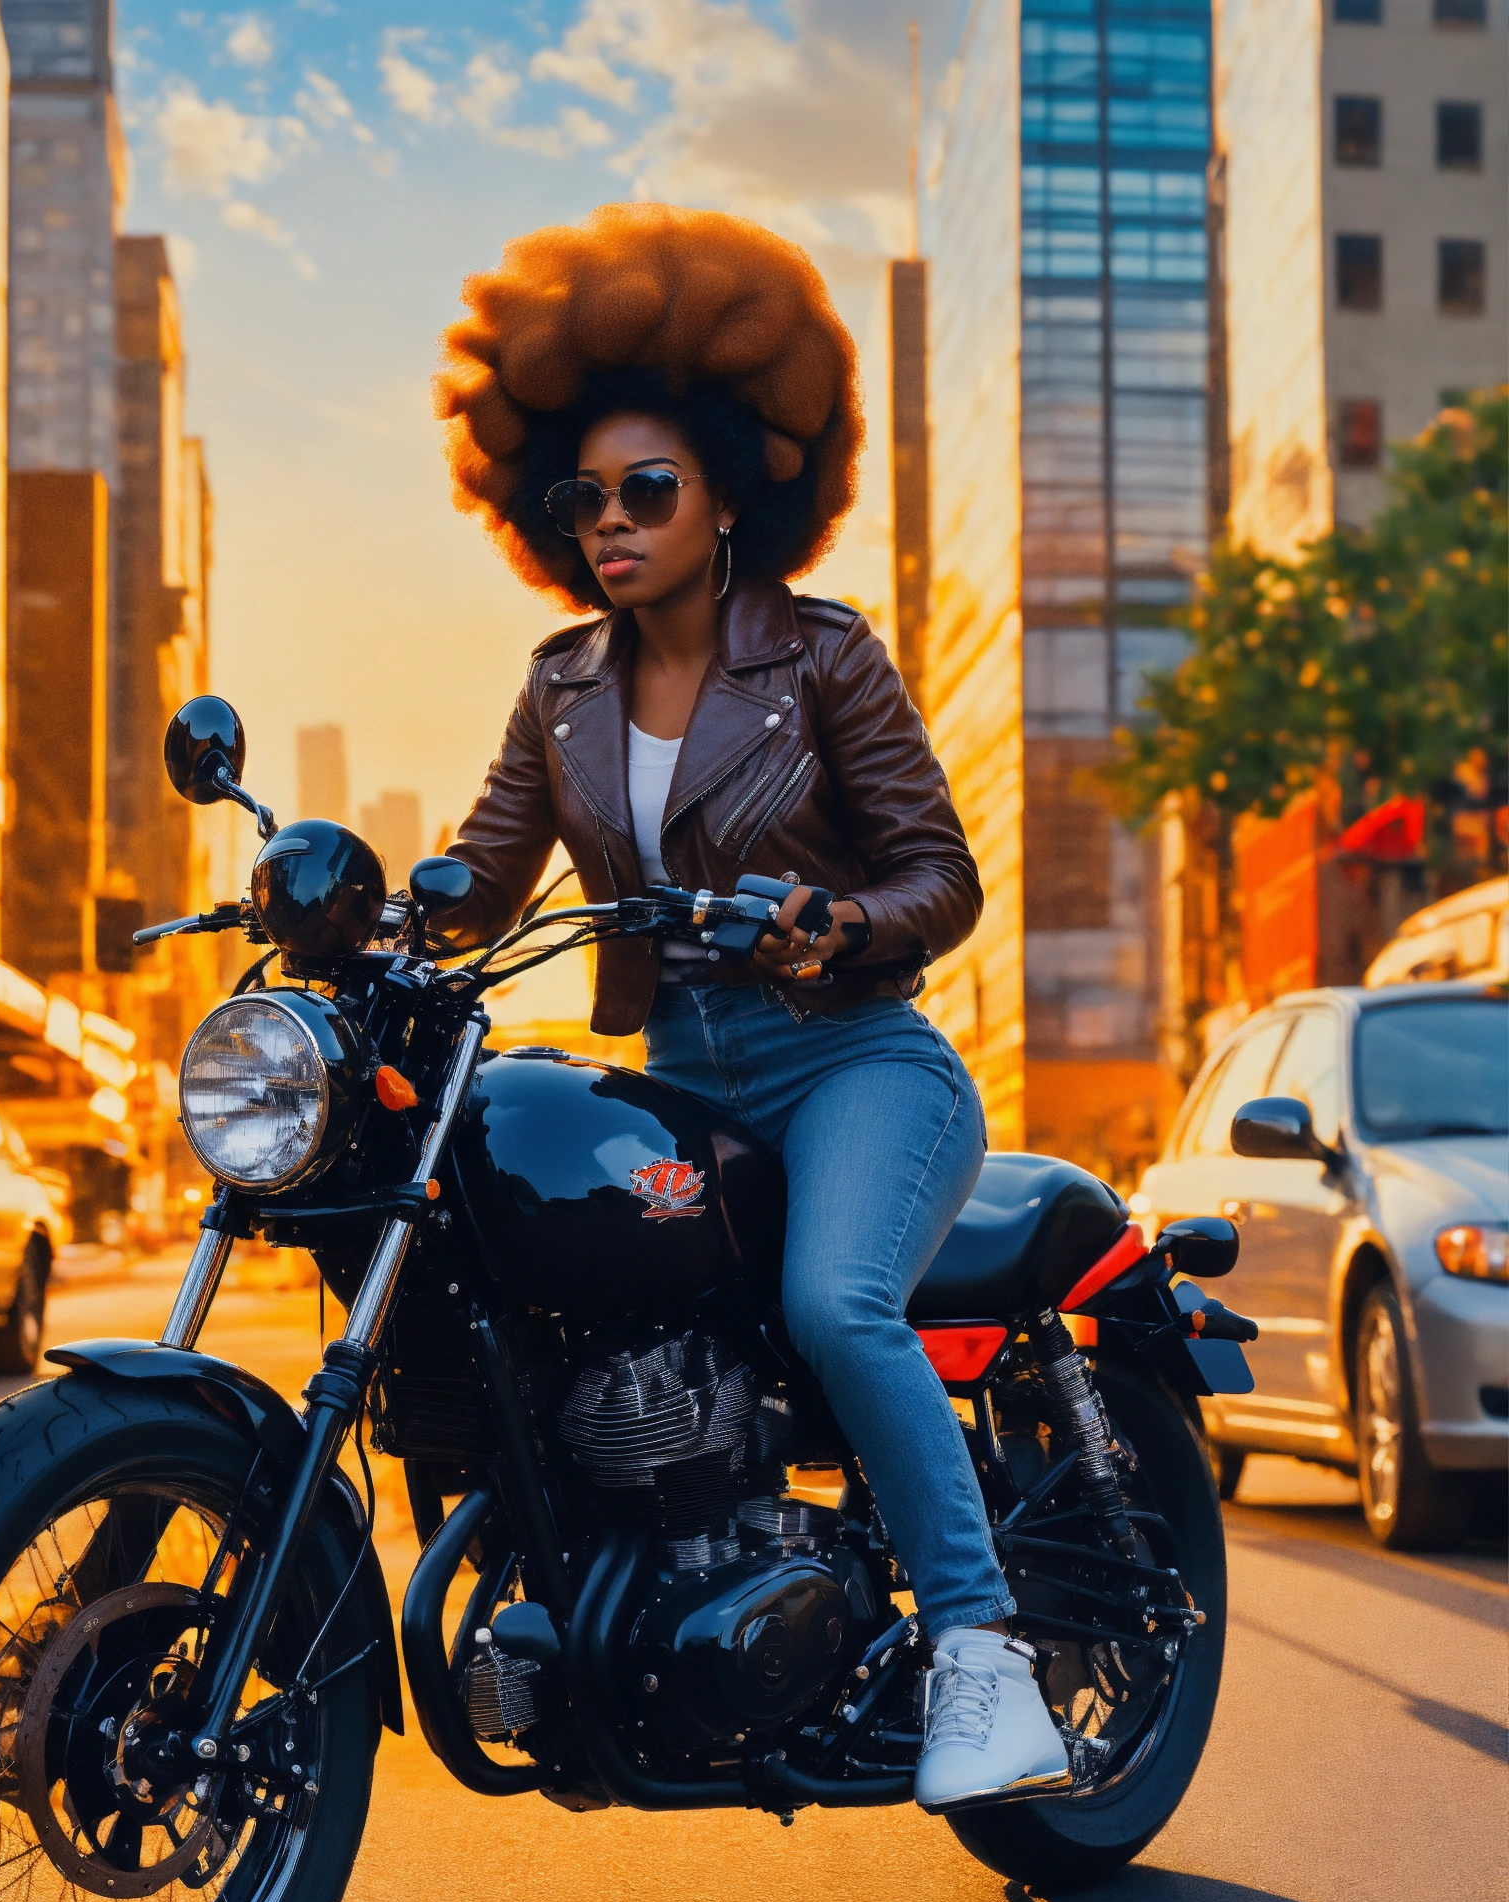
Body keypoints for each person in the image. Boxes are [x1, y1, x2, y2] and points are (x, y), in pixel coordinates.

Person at [432, 204, 1067, 1811]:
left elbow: (945, 879)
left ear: (729, 497)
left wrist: (836, 923)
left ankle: (986, 1662)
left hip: (856, 1063)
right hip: (681, 1078)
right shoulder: (559, 687)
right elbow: (477, 877)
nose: (611, 521)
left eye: (651, 489)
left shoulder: (826, 662)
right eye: (583, 495)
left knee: (835, 1305)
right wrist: (351, 911)